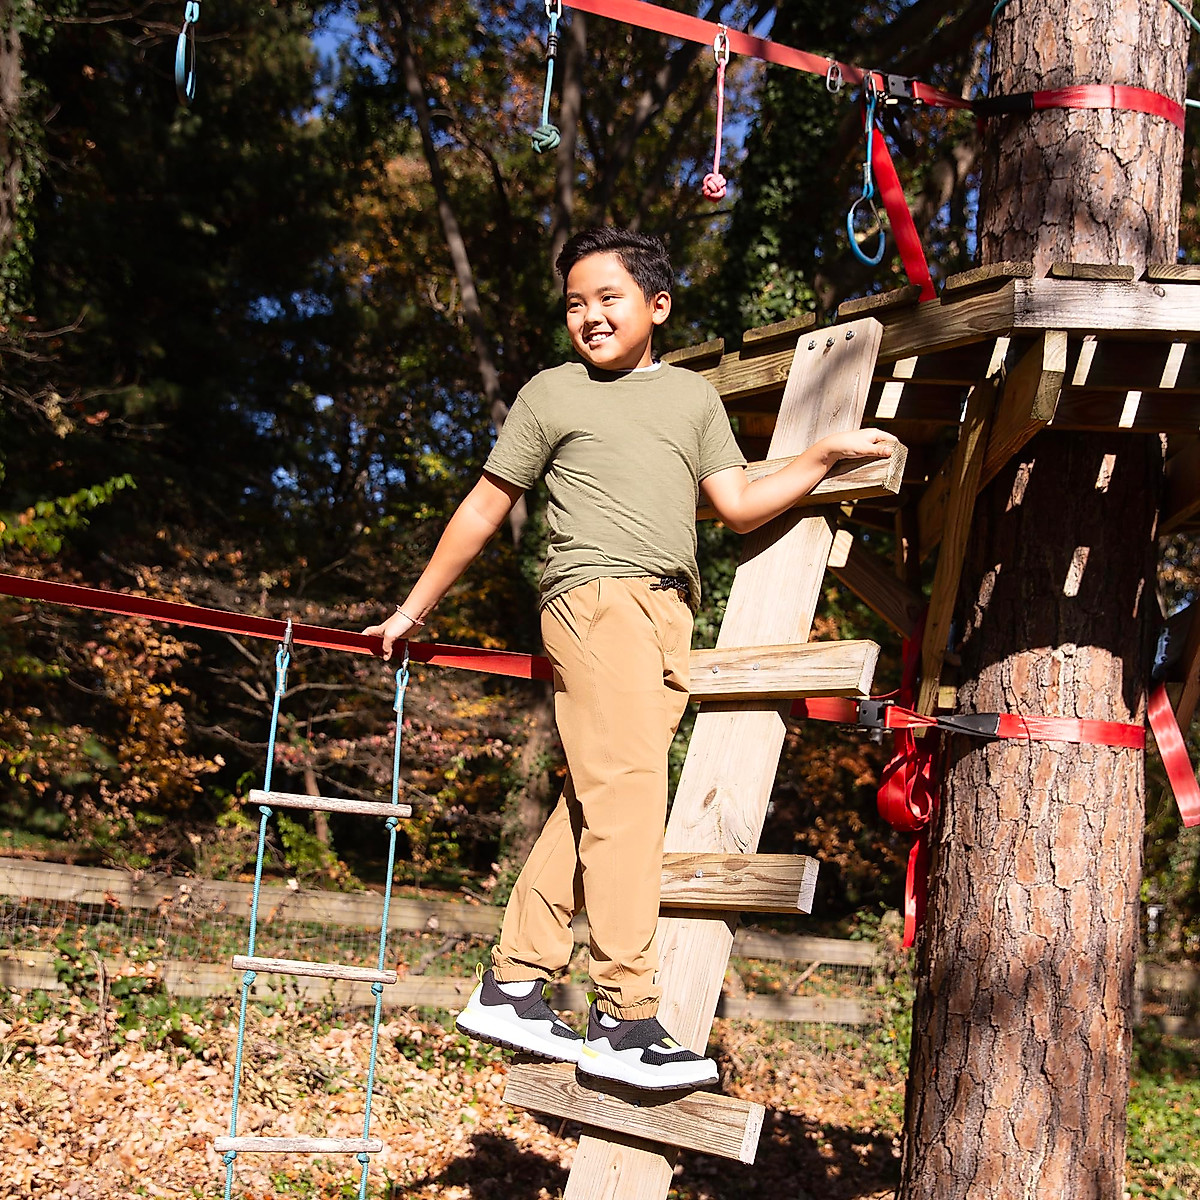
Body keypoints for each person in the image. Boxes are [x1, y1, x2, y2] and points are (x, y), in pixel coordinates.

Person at [365, 227, 894, 1091]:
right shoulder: (552, 393)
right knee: (630, 802)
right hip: (594, 599)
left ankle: (513, 983)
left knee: (596, 799)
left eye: (607, 297)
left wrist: (818, 457)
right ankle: (625, 1015)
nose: (589, 315)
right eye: (574, 302)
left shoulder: (691, 400)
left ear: (657, 306)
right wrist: (415, 607)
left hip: (667, 612)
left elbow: (738, 504)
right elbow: (485, 505)